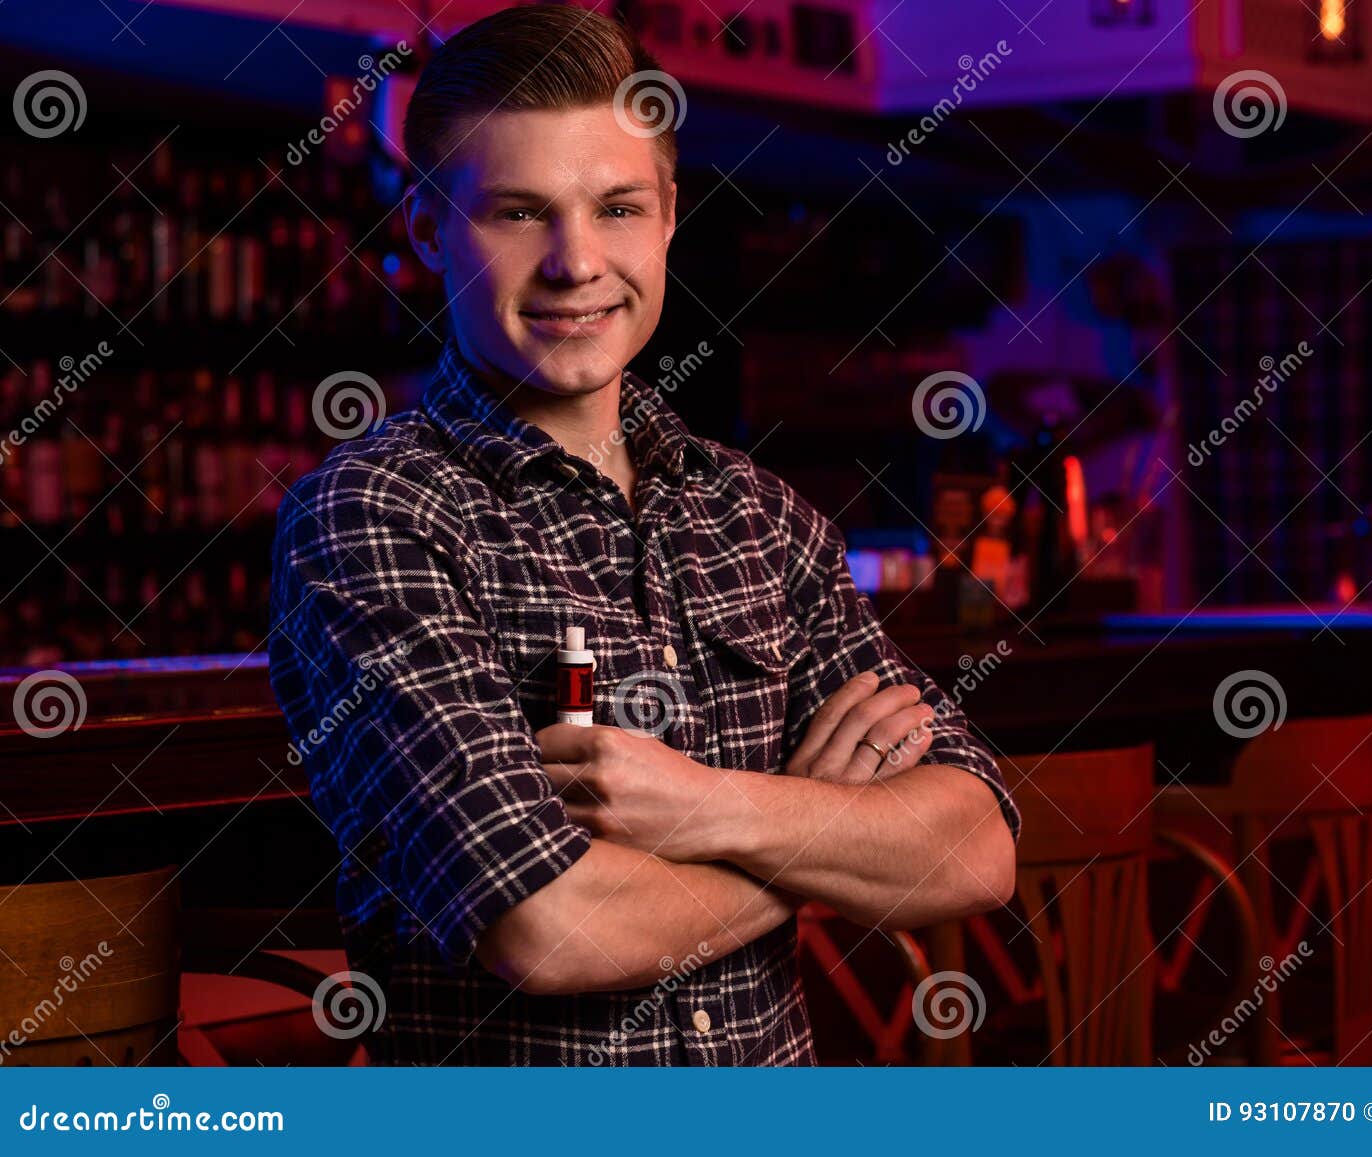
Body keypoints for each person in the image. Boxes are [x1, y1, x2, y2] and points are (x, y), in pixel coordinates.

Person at [268, 4, 1018, 1066]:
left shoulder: (759, 514)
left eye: (616, 206)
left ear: (669, 214)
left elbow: (974, 846)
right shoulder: (375, 514)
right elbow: (546, 927)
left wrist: (702, 804)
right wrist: (818, 835)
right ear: (429, 228)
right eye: (520, 212)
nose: (577, 262)